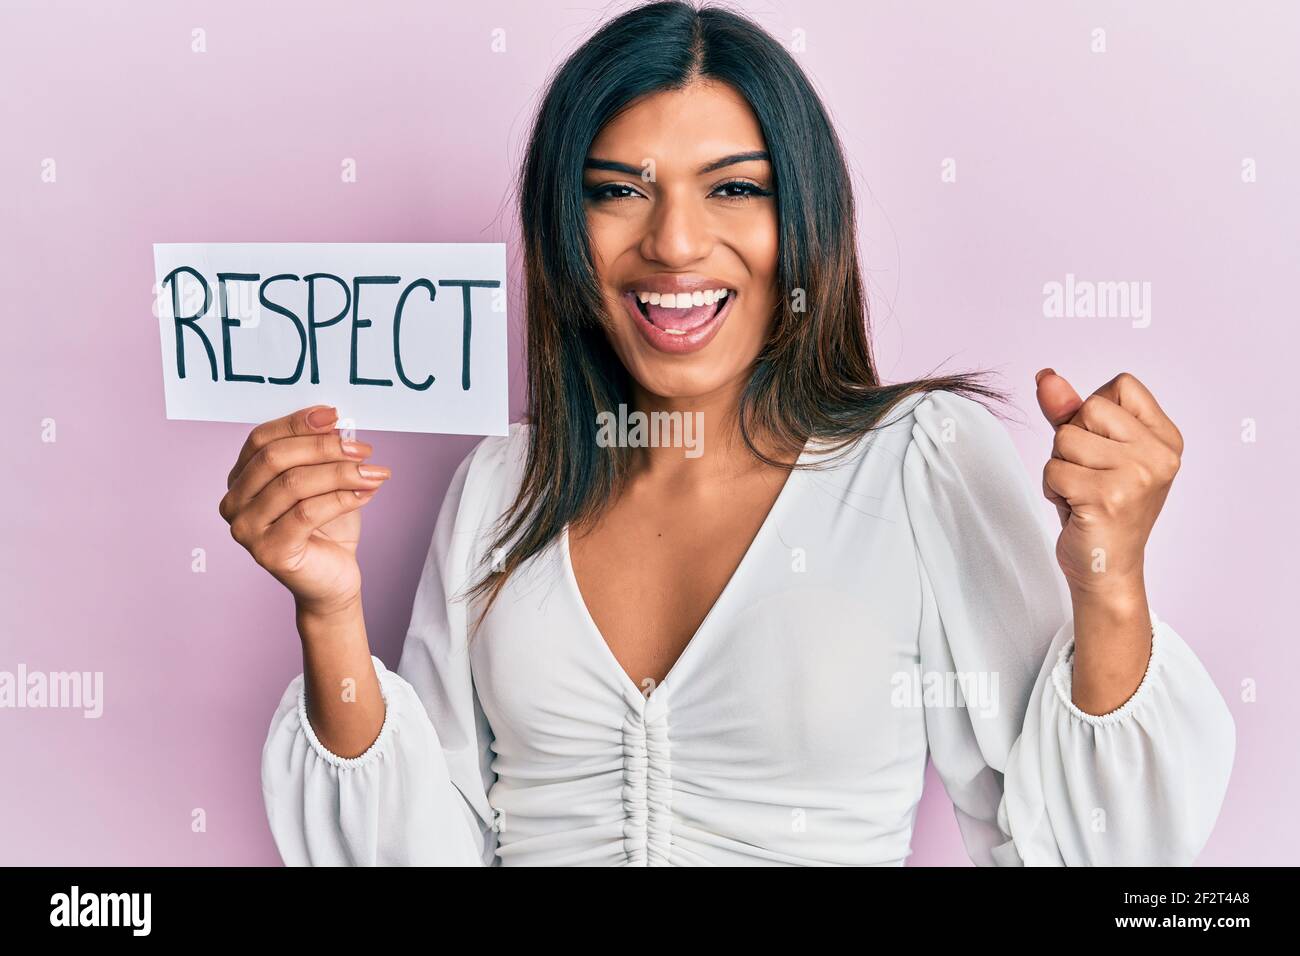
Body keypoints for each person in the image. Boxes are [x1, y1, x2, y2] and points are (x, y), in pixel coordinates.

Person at [225, 1, 1234, 866]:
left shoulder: (919, 461)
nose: (671, 240)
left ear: (805, 220)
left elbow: (1105, 854)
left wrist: (1109, 577)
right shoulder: (502, 484)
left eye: (733, 187)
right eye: (617, 190)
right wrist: (330, 611)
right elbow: (417, 852)